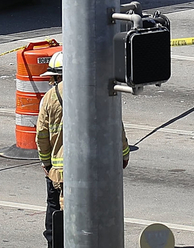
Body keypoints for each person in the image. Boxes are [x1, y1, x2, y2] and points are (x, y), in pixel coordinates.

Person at [35, 51, 130, 248]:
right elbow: (115, 126)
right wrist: (123, 154)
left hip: (59, 174)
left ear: (58, 75)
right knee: (96, 217)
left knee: (56, 221)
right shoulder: (95, 90)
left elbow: (42, 136)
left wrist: (46, 163)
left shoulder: (49, 98)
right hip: (96, 170)